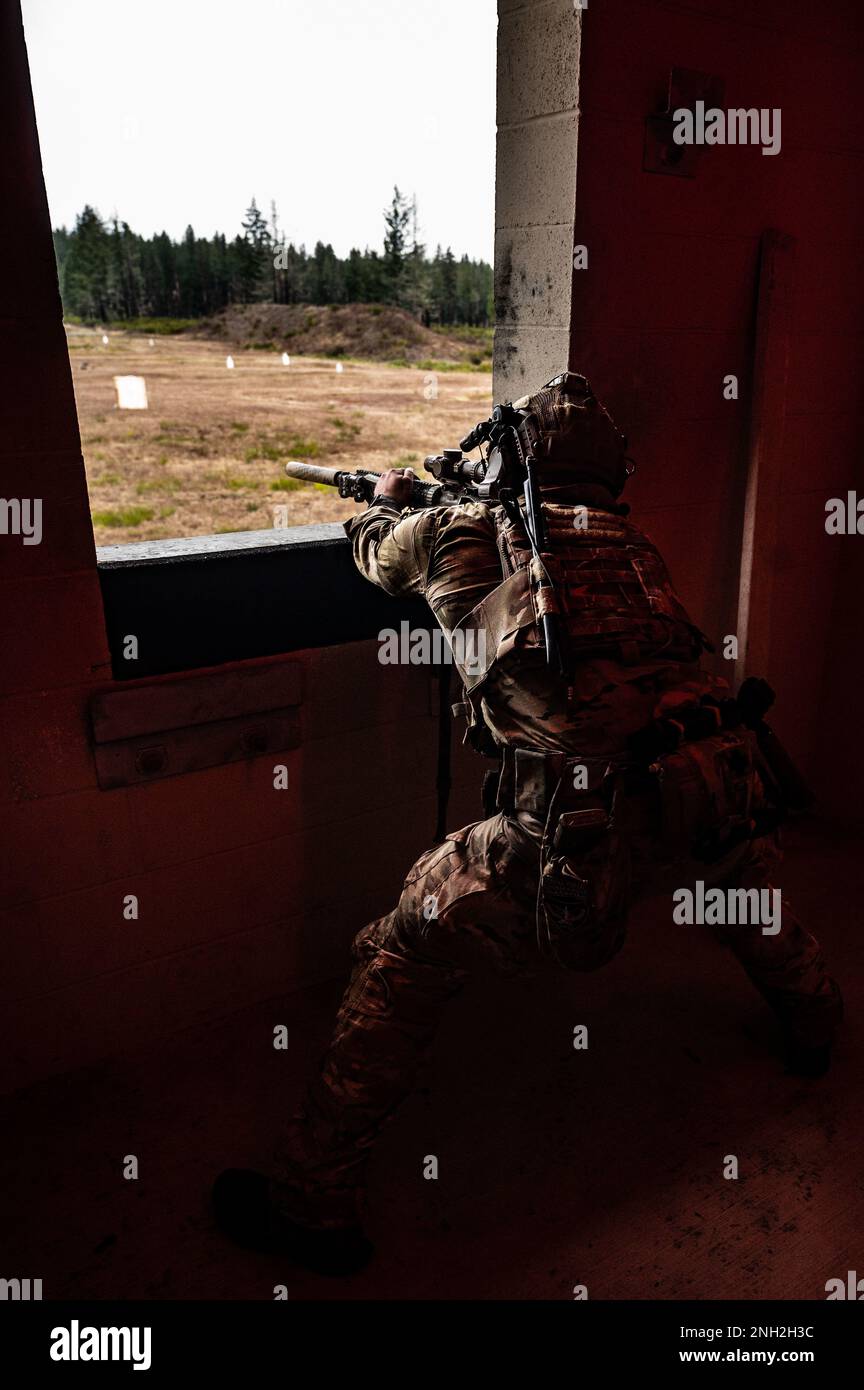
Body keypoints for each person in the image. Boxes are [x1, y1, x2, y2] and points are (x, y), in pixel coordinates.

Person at [214, 373, 842, 1275]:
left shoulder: (454, 531)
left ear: (510, 457)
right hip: (704, 788)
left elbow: (375, 557)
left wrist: (385, 504)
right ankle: (817, 1021)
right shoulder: (636, 546)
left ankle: (310, 1202)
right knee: (743, 889)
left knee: (402, 947)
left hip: (572, 833)